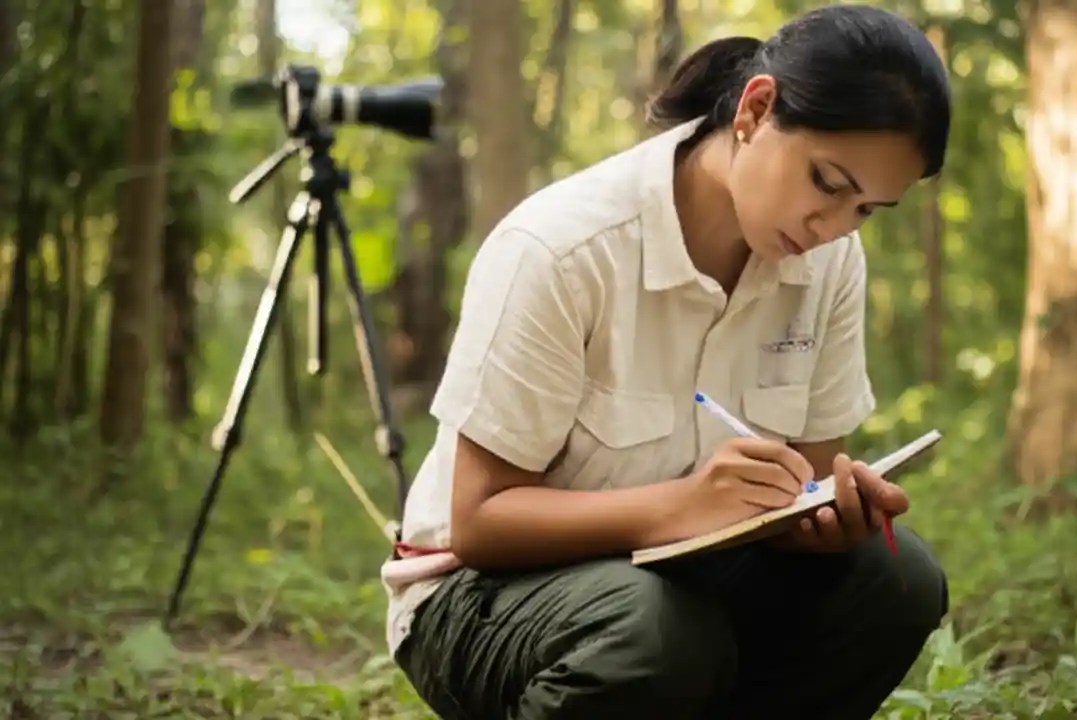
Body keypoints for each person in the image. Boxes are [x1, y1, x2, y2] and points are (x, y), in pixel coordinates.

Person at [381, 4, 951, 718]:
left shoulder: (829, 263)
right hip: (481, 594)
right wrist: (679, 507)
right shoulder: (561, 249)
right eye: (828, 184)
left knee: (897, 580)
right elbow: (481, 522)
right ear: (756, 108)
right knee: (655, 632)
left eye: (868, 209)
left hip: (686, 583)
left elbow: (803, 483)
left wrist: (825, 522)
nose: (833, 225)